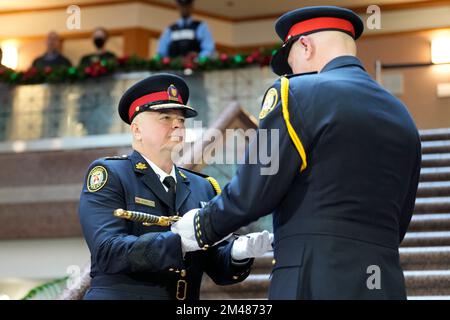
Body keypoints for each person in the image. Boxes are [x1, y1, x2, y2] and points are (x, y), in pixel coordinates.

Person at [171, 6, 422, 300]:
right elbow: (400, 219)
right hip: (386, 283)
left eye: (291, 63)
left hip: (314, 278)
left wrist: (201, 226)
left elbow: (255, 188)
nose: (293, 73)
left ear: (305, 45)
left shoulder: (296, 92)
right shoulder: (402, 115)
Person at [78, 73, 273, 300]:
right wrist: (177, 243)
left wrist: (238, 254)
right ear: (137, 129)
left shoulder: (203, 187)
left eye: (181, 120)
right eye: (165, 118)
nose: (177, 125)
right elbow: (108, 251)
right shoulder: (111, 174)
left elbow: (215, 266)